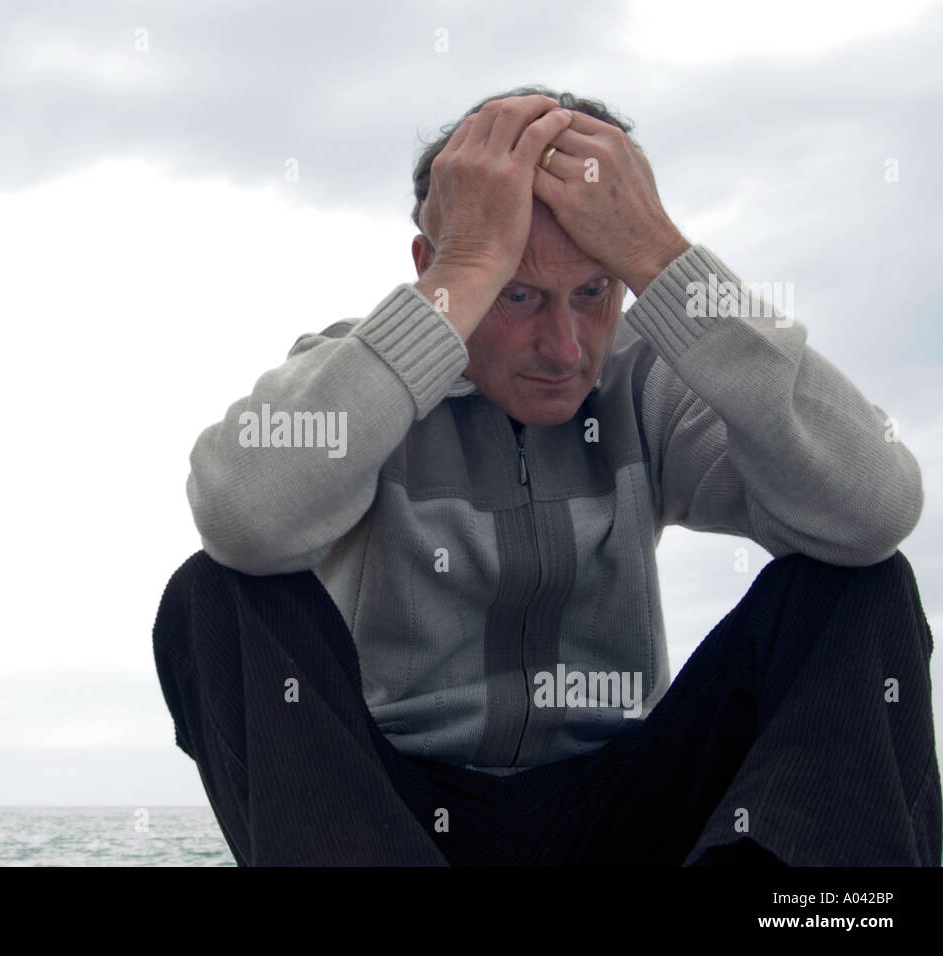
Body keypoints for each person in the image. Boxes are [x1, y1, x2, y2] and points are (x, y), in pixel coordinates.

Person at [152, 85, 940, 866]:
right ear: (437, 271)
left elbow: (875, 507)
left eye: (593, 291)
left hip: (622, 811)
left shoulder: (651, 385)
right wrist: (460, 275)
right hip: (398, 823)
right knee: (212, 595)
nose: (564, 348)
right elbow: (241, 516)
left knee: (860, 584)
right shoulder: (366, 377)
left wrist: (667, 259)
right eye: (517, 293)